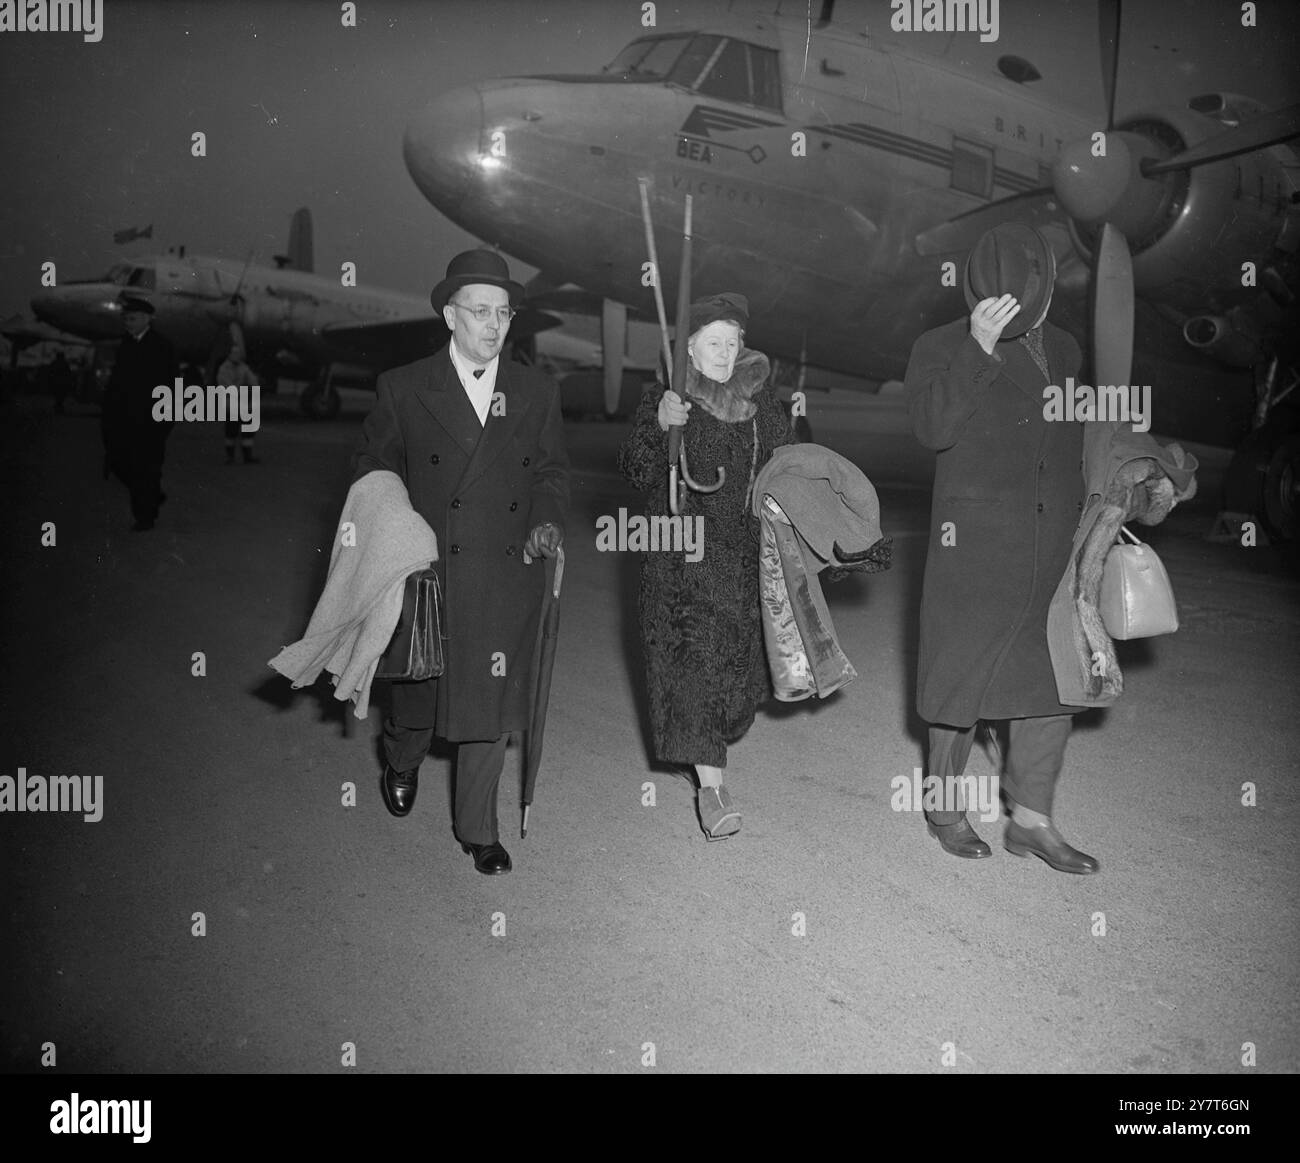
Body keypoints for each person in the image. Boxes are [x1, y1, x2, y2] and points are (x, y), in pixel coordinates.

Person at [904, 223, 1196, 873]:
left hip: (1051, 542)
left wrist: (1132, 476)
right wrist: (977, 349)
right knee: (958, 688)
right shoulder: (939, 345)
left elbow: (1071, 438)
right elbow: (932, 427)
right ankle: (945, 810)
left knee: (1053, 683)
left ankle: (1032, 820)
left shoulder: (1062, 348)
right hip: (975, 549)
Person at [353, 249, 570, 875]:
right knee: (417, 696)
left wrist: (545, 522)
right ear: (451, 316)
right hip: (427, 572)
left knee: (489, 708)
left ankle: (478, 830)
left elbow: (551, 473)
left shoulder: (535, 391)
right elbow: (372, 467)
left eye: (503, 313)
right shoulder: (404, 386)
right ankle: (400, 758)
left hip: (504, 572)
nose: (494, 325)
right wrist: (395, 524)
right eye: (480, 311)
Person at [618, 292, 795, 840]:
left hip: (743, 560)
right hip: (684, 560)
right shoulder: (668, 399)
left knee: (737, 685)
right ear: (688, 352)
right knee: (692, 665)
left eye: (731, 342)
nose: (723, 353)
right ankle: (712, 788)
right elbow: (636, 470)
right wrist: (658, 424)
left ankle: (711, 739)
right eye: (712, 343)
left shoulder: (763, 403)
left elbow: (786, 466)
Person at [101, 295, 177, 531]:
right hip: (124, 420)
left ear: (146, 319)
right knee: (120, 464)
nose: (127, 322)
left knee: (148, 469)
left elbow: (172, 386)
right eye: (125, 318)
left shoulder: (163, 347)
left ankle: (145, 517)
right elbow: (117, 382)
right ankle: (152, 496)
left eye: (132, 318)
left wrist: (165, 422)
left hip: (151, 422)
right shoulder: (125, 346)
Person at [217, 333, 259, 464]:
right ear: (230, 354)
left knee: (248, 431)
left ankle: (248, 455)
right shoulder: (224, 368)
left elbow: (253, 381)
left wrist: (254, 384)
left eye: (238, 353)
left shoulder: (243, 367)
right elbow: (226, 385)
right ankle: (230, 457)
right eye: (234, 353)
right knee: (231, 431)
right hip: (232, 404)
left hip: (243, 403)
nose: (237, 356)